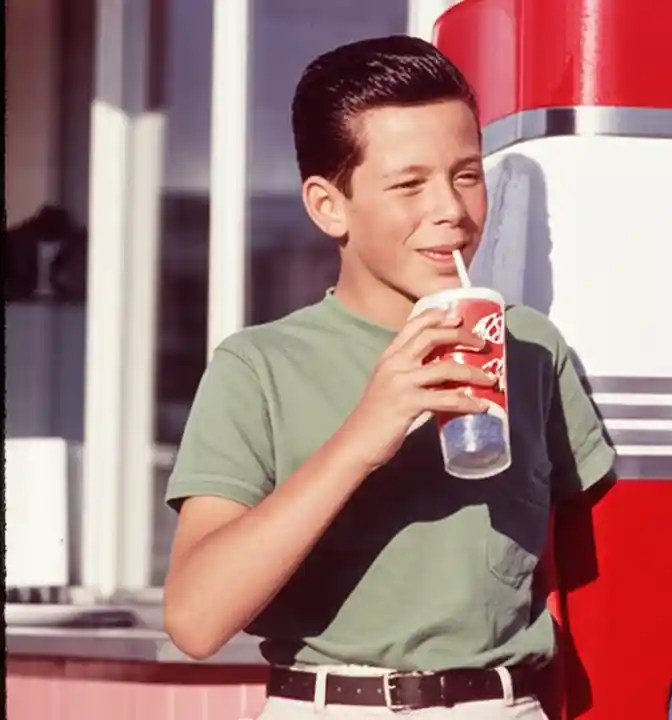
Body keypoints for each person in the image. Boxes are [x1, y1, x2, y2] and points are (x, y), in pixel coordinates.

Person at [162, 35, 616, 719]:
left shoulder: (531, 348)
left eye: (466, 174)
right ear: (327, 206)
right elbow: (196, 621)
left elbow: (587, 579)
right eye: (410, 184)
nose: (453, 211)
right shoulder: (258, 366)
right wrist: (364, 436)